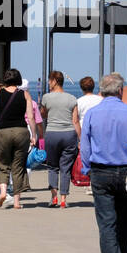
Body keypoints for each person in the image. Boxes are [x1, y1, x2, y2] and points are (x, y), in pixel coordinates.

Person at [79, 73, 127, 253]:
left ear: (102, 91)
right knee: (125, 218)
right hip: (126, 170)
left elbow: (85, 146)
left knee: (106, 221)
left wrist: (87, 168)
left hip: (100, 170)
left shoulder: (92, 114)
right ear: (120, 90)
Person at [0, 68, 36, 208]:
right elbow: (31, 117)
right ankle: (16, 202)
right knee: (18, 167)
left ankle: (3, 192)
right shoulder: (25, 94)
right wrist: (34, 135)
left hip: (3, 131)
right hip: (21, 132)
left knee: (3, 164)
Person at [40, 71, 79, 208]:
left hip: (52, 133)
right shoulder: (72, 98)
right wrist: (80, 139)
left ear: (55, 81)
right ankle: (63, 199)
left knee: (52, 166)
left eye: (50, 80)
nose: (49, 83)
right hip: (69, 134)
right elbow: (75, 121)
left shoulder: (46, 97)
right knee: (66, 168)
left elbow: (43, 115)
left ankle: (54, 197)